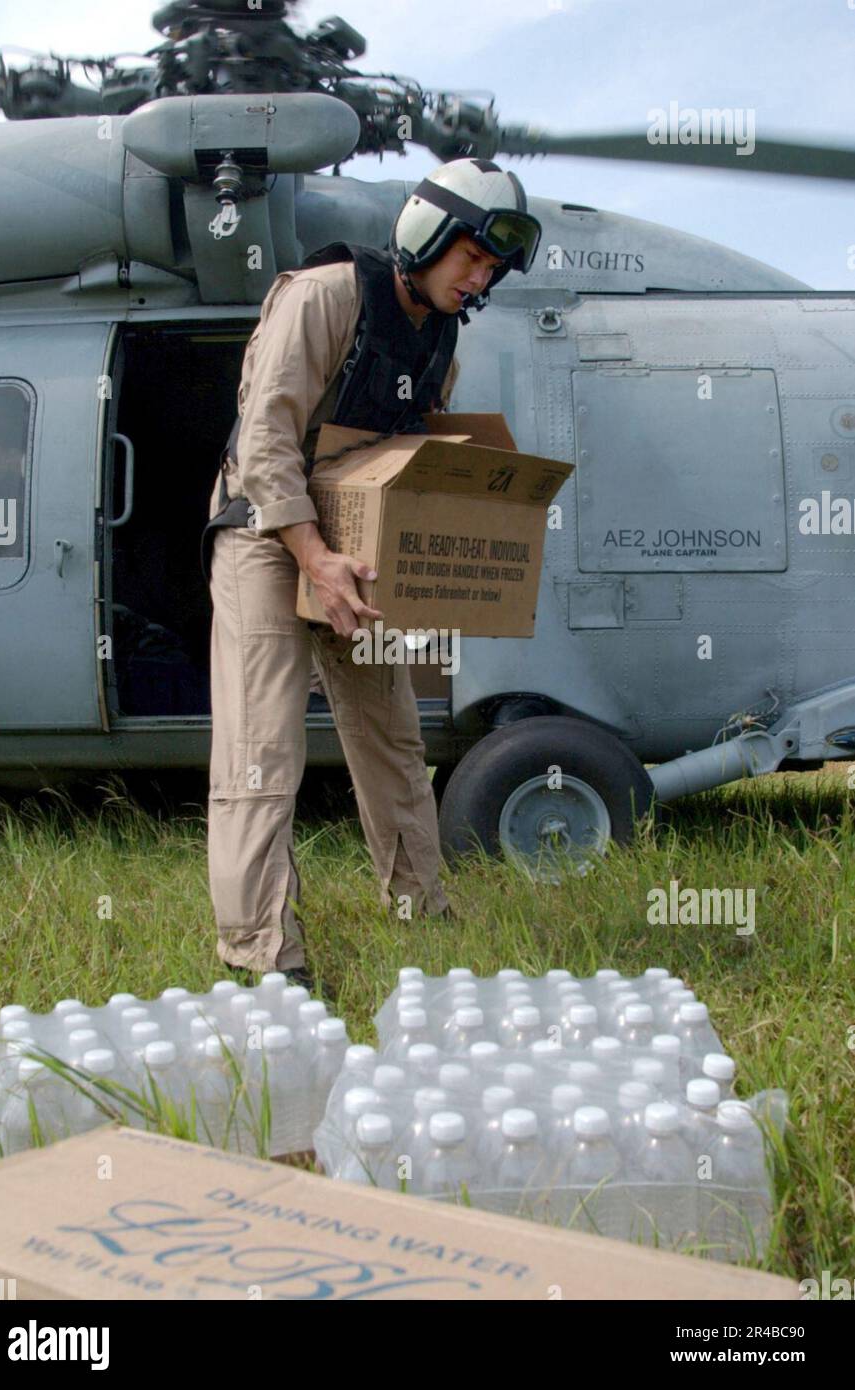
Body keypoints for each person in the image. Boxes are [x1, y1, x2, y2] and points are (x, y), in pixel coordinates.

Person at [202, 157, 542, 990]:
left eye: (492, 268)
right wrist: (311, 557)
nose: (479, 277)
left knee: (391, 735)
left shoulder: (441, 340)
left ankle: (415, 904)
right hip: (264, 537)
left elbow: (399, 455)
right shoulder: (322, 298)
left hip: (349, 554)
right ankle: (262, 952)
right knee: (262, 749)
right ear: (425, 234)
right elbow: (265, 444)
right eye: (471, 257)